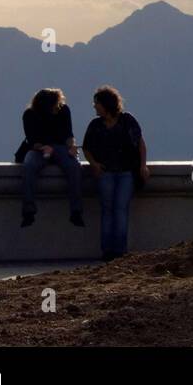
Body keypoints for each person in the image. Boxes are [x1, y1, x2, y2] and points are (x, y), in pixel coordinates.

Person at [82, 86, 149, 261]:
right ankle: (108, 251)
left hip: (126, 172)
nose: (95, 107)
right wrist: (94, 164)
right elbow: (87, 148)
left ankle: (119, 251)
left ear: (106, 105)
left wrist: (143, 166)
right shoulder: (95, 125)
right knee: (109, 210)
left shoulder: (127, 121)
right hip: (106, 172)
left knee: (119, 210)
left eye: (97, 103)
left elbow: (140, 144)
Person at [18, 88, 85, 228]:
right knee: (29, 166)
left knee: (74, 167)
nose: (57, 107)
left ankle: (76, 211)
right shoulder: (30, 114)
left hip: (60, 147)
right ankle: (28, 210)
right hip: (39, 148)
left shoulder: (64, 110)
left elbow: (68, 134)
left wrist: (72, 146)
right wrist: (43, 147)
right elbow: (32, 140)